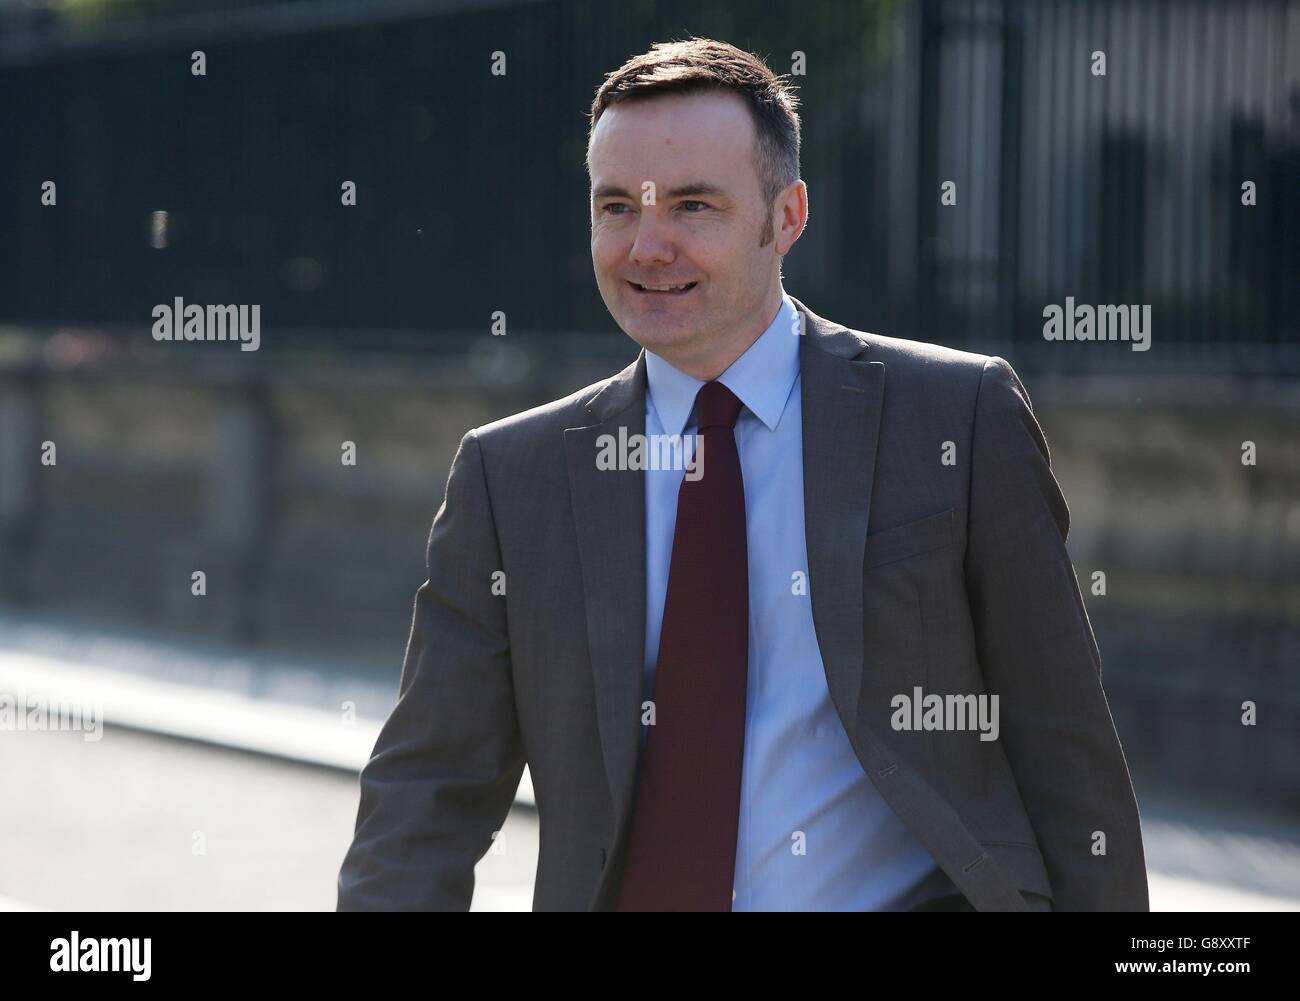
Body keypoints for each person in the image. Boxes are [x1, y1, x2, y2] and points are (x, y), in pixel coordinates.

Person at [336, 37, 1148, 912]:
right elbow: (423, 798)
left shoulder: (955, 418)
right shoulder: (510, 475)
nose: (648, 247)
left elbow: (1065, 752)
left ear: (786, 215)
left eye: (692, 205)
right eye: (616, 207)